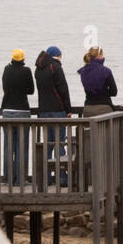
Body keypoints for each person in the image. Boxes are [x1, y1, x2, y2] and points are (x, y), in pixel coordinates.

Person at [35, 46, 73, 182]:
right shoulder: (56, 67)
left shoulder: (38, 69)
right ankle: (62, 177)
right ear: (57, 56)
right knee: (60, 143)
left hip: (43, 111)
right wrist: (68, 109)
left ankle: (46, 177)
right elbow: (63, 89)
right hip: (57, 110)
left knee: (48, 144)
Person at [1, 49, 35, 186]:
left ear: (12, 58)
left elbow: (4, 88)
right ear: (23, 59)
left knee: (8, 147)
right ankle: (20, 179)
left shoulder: (6, 69)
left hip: (7, 110)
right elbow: (31, 90)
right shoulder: (26, 71)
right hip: (22, 110)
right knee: (22, 147)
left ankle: (8, 178)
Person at [78, 47, 117, 117]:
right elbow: (114, 92)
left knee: (89, 128)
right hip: (104, 108)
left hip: (88, 108)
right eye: (102, 55)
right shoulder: (106, 71)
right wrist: (105, 92)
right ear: (99, 56)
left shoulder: (83, 71)